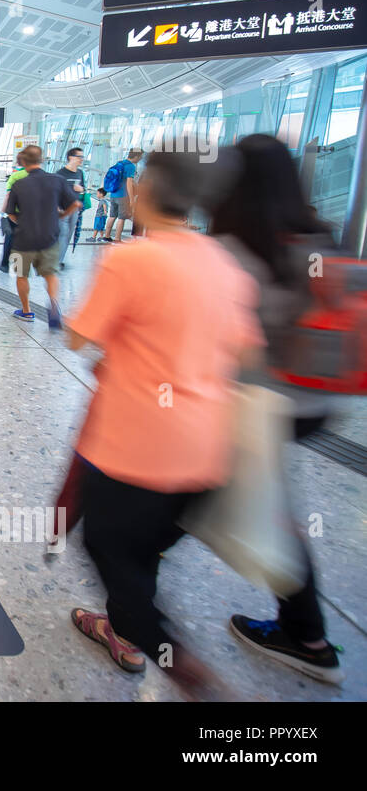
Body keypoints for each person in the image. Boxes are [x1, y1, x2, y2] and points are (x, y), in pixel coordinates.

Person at [65, 149, 264, 698]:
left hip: (136, 448)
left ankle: (179, 664)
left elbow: (79, 336)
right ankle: (123, 630)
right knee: (145, 547)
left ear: (144, 192)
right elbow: (246, 356)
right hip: (209, 455)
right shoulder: (225, 263)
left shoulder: (134, 260)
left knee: (108, 548)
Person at [208, 134, 344, 684]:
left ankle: (132, 612)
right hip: (314, 402)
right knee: (275, 501)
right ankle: (307, 634)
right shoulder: (319, 239)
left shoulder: (240, 250)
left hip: (255, 403)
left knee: (171, 497)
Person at [3, 145, 78, 329]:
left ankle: (26, 311)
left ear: (23, 162)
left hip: (22, 240)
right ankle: (53, 306)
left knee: (21, 275)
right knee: (50, 274)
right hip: (49, 238)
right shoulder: (57, 180)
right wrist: (61, 215)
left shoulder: (19, 185)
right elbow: (75, 203)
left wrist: (20, 221)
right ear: (41, 159)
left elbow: (9, 212)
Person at [100, 148, 142, 242]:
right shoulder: (131, 166)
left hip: (113, 194)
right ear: (136, 156)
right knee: (122, 218)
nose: (140, 159)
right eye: (140, 157)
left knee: (112, 216)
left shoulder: (120, 163)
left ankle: (107, 236)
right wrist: (131, 198)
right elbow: (129, 183)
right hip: (123, 195)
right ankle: (118, 239)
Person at [54, 147, 85, 269]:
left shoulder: (80, 173)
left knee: (68, 235)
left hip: (74, 210)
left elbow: (83, 189)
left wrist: (81, 189)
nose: (81, 159)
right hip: (62, 209)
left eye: (82, 157)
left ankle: (59, 259)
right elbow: (54, 192)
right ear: (70, 157)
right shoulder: (60, 174)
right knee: (63, 233)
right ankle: (55, 262)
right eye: (79, 157)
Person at [0, 151, 28, 272]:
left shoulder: (16, 176)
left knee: (10, 238)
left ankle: (5, 264)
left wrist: (2, 212)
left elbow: (8, 195)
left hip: (15, 213)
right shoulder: (41, 176)